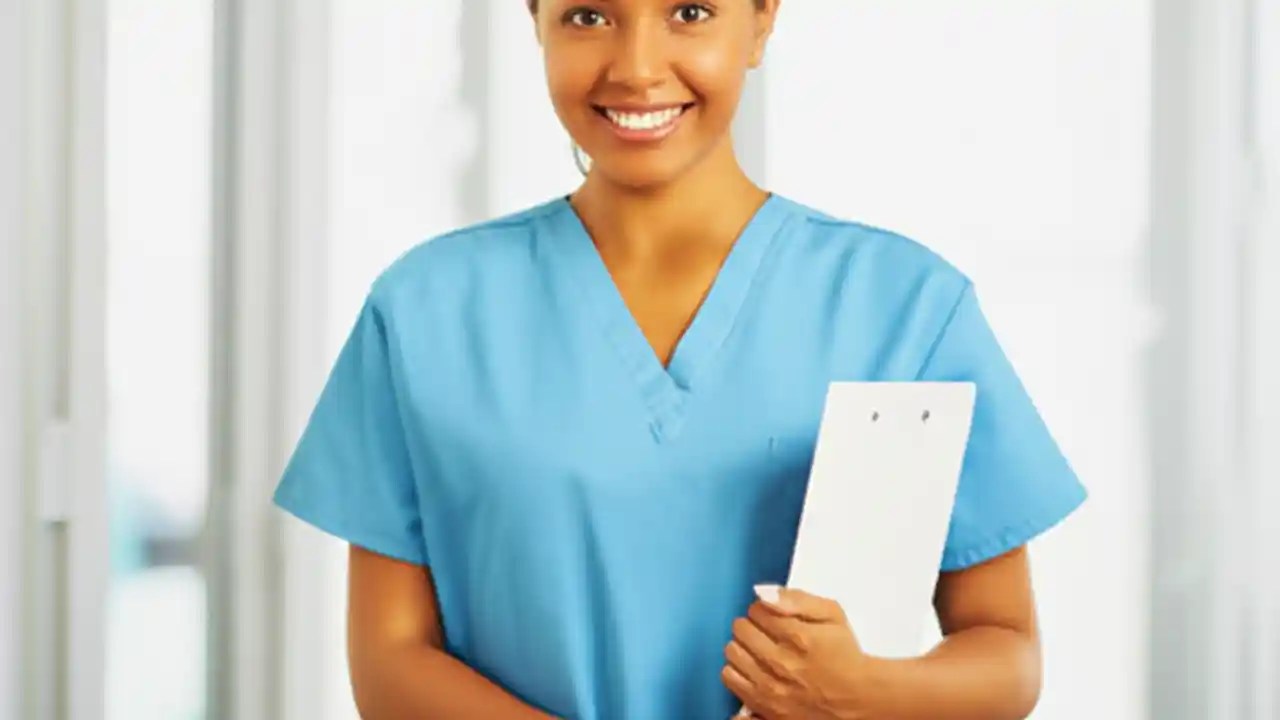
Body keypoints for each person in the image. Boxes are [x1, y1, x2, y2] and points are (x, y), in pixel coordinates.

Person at [272, 1, 1087, 718]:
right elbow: (388, 664)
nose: (635, 68)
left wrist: (862, 692)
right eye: (589, 16)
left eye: (690, 11)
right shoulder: (424, 311)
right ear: (536, 21)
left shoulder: (905, 306)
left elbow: (1006, 654)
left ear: (762, 20)